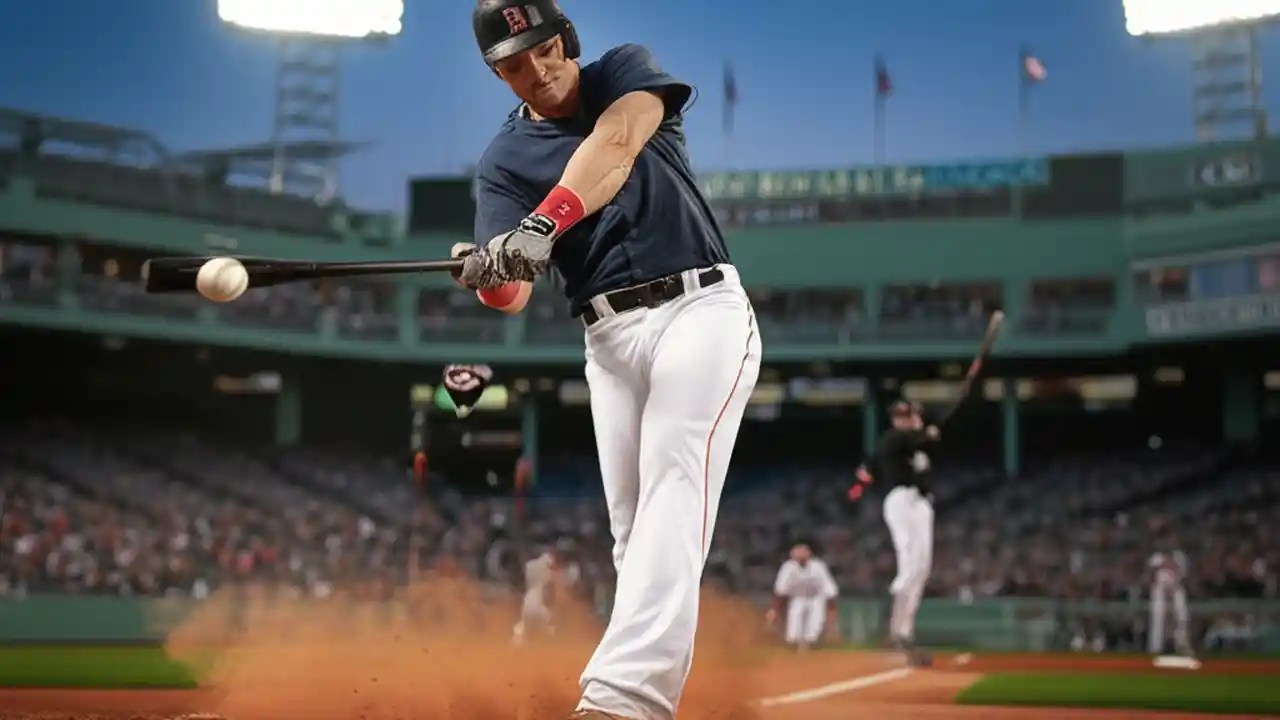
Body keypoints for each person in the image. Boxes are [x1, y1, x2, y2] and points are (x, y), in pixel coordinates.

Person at [457, 2, 763, 718]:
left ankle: (625, 699)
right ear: (498, 74)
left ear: (564, 39)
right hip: (606, 339)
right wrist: (487, 270)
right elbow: (510, 297)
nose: (535, 70)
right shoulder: (502, 162)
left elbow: (619, 141)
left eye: (542, 48)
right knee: (633, 531)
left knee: (671, 480)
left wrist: (540, 224)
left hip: (699, 311)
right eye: (512, 64)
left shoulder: (622, 72)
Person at [849, 400, 938, 667]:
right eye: (899, 415)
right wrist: (926, 431)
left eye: (907, 414)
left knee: (922, 569)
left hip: (922, 503)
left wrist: (926, 432)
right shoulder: (894, 438)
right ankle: (893, 628)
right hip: (901, 498)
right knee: (909, 565)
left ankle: (904, 632)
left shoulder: (917, 442)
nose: (903, 419)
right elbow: (906, 443)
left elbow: (867, 469)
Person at [765, 542, 840, 653]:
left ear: (809, 554)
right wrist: (773, 609)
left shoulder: (818, 567)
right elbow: (780, 590)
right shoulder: (788, 568)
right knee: (793, 628)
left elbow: (829, 591)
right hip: (797, 598)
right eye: (797, 553)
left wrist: (832, 617)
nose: (800, 556)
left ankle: (809, 648)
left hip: (816, 598)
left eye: (803, 552)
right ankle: (794, 648)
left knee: (814, 627)